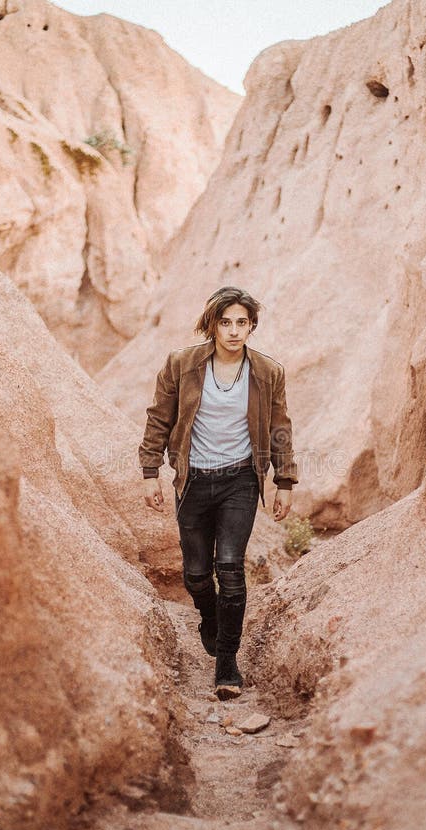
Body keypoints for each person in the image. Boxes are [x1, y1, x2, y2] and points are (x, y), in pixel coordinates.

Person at [139, 286, 298, 699]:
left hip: (240, 481)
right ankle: (208, 617)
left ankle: (227, 663)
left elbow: (280, 428)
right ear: (211, 324)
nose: (233, 331)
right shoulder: (182, 364)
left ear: (252, 326)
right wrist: (149, 470)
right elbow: (159, 418)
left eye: (241, 322)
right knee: (195, 574)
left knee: (229, 569)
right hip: (192, 480)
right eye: (225, 322)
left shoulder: (267, 373)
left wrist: (284, 481)